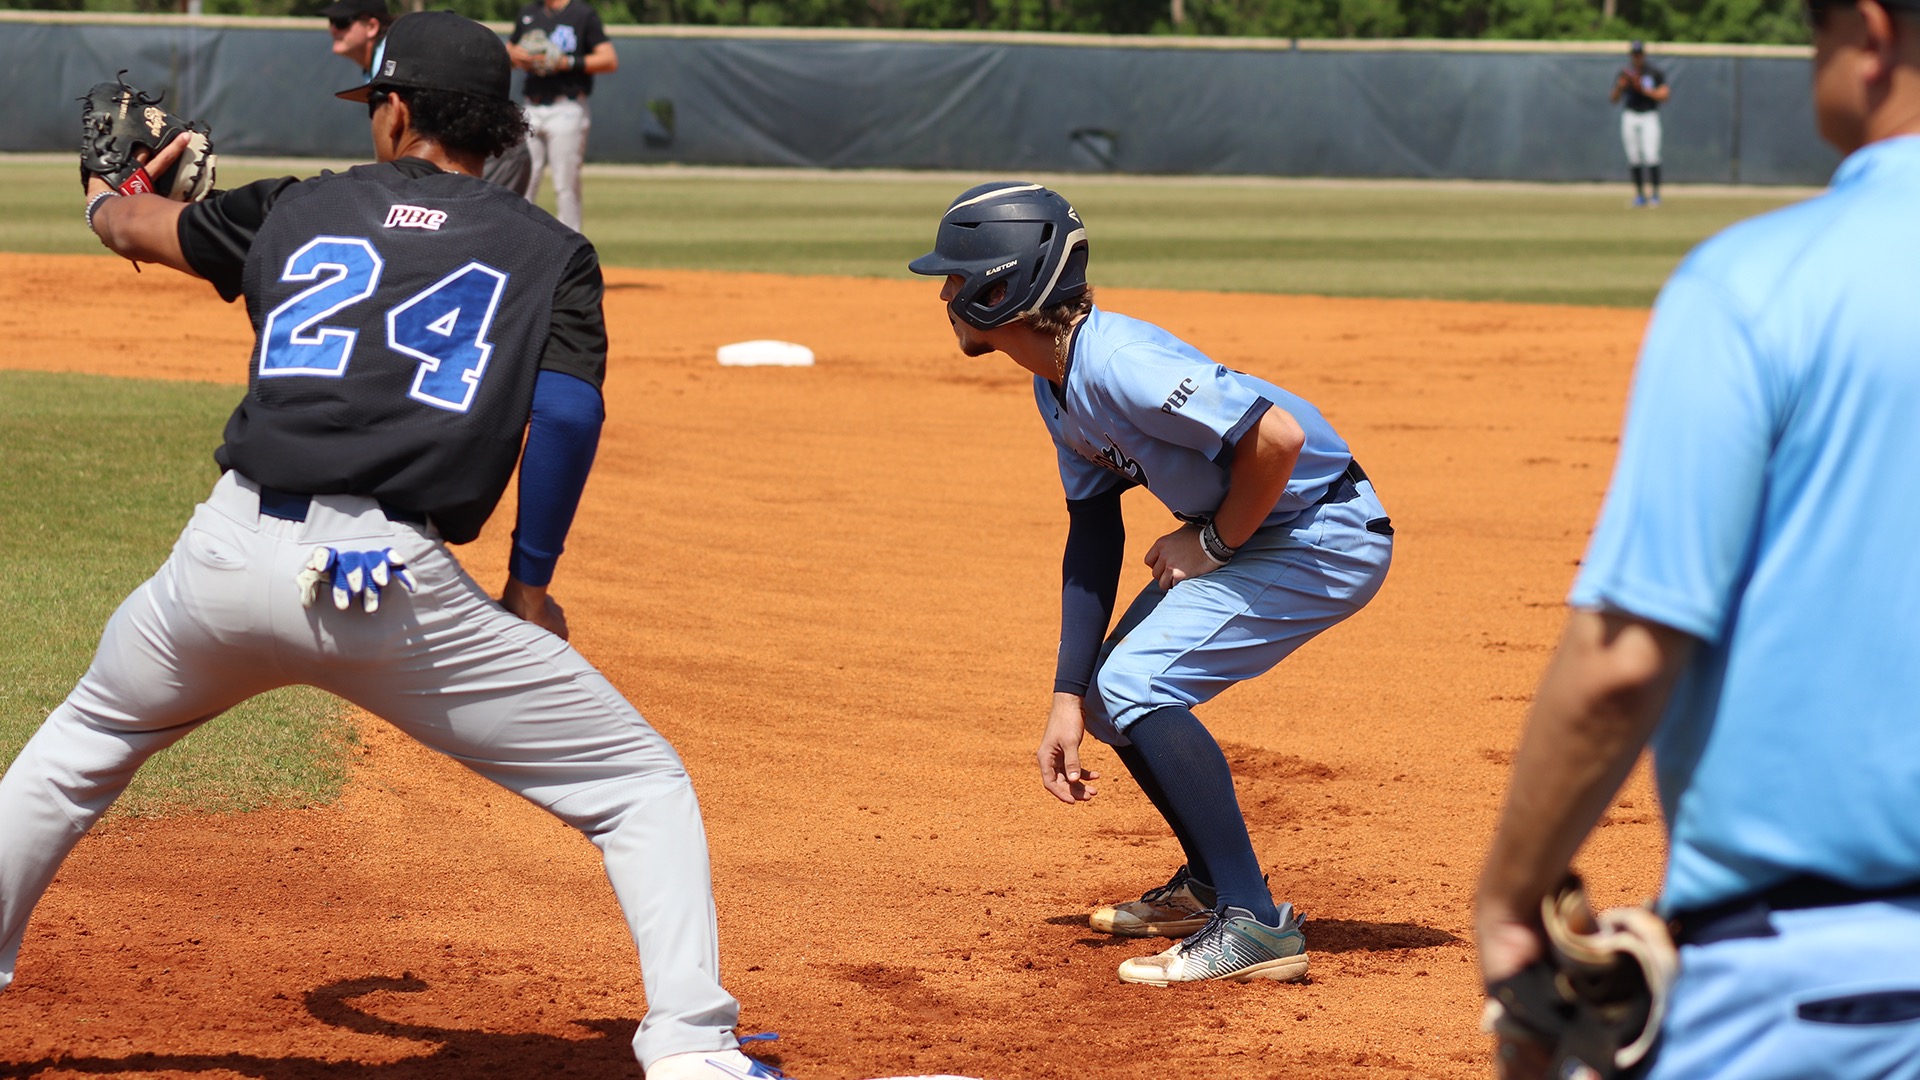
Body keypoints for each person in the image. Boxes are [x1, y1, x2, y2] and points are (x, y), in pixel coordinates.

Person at [7, 13, 784, 1080]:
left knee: (75, 751)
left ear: (398, 110)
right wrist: (530, 584)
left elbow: (134, 229)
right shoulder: (549, 250)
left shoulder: (296, 205)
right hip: (386, 586)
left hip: (224, 554)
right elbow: (563, 418)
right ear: (502, 128)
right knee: (637, 786)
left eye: (373, 101)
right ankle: (694, 1049)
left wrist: (107, 188)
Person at [1478, 0, 1920, 1076]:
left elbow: (1624, 661)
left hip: (1824, 994)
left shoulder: (1755, 287)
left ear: (1869, 35)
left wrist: (1509, 901)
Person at [909, 183, 1393, 987]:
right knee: (1106, 696)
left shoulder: (1124, 365)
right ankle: (1210, 884)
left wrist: (1211, 539)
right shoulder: (1055, 383)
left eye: (958, 280)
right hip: (1267, 529)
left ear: (1005, 289)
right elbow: (1093, 531)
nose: (944, 295)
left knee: (1139, 681)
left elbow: (1277, 437)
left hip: (1323, 533)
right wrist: (1066, 694)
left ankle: (1254, 925)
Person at [323, 0, 532, 198]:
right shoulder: (390, 56)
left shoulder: (401, 53)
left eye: (341, 22)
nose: (333, 29)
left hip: (492, 154)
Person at [507, 0, 617, 232]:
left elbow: (608, 59)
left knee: (565, 184)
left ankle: (572, 245)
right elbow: (509, 53)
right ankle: (516, 238)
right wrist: (517, 56)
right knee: (523, 178)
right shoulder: (529, 13)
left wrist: (566, 62)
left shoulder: (582, 14)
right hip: (532, 107)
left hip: (566, 107)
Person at [1610, 40, 1670, 207]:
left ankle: (1656, 195)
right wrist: (1620, 87)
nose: (1637, 57)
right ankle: (1640, 195)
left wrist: (1644, 90)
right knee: (1634, 157)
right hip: (1630, 115)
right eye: (1634, 54)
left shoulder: (1653, 72)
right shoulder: (1624, 74)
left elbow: (1665, 95)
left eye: (1639, 54)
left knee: (1651, 155)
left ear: (1643, 55)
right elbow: (1613, 99)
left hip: (1649, 115)